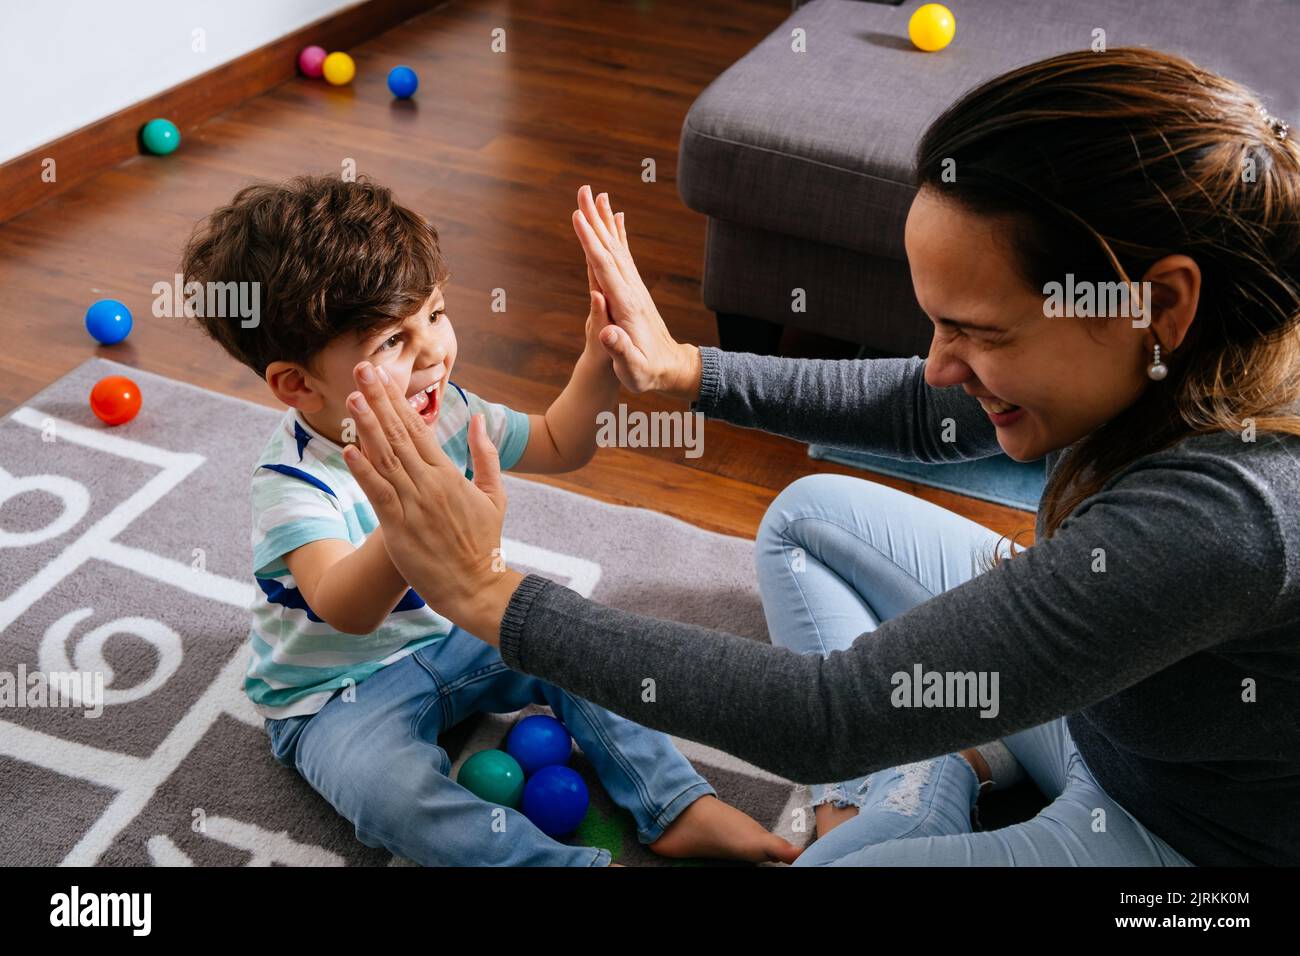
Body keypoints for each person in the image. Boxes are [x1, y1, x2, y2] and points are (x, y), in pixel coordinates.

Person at [339, 48, 1300, 866]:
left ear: (1156, 304)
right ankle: (949, 756)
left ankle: (930, 763)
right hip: (1099, 706)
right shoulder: (1189, 347)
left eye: (978, 332)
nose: (937, 367)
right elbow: (931, 413)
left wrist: (486, 595)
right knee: (806, 519)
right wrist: (686, 372)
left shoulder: (1228, 517)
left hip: (1177, 844)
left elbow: (820, 714)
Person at [180, 173, 799, 866]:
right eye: (392, 342)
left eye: (436, 315)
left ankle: (675, 803)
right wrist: (412, 518)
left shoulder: (446, 408)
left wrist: (600, 356)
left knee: (577, 643)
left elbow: (562, 443)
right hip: (337, 695)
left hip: (457, 636)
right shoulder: (290, 482)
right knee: (389, 797)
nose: (434, 352)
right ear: (299, 384)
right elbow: (343, 609)